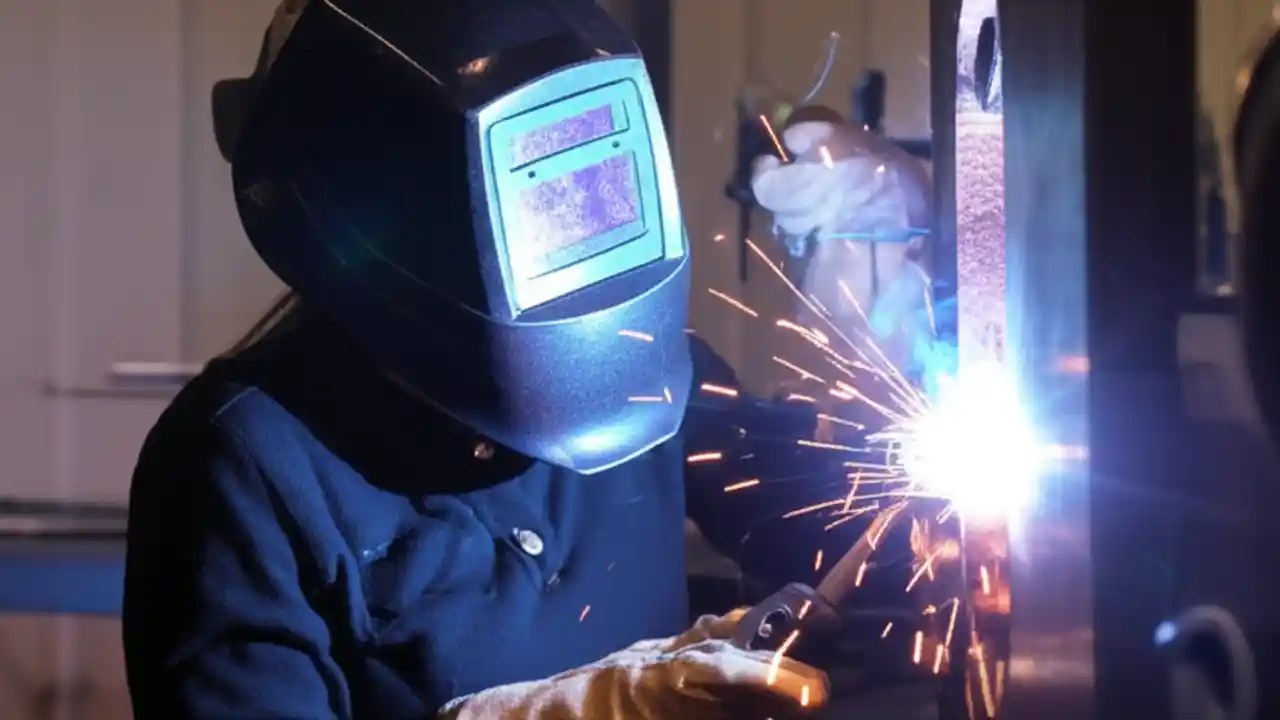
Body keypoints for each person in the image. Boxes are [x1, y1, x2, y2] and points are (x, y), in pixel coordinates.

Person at [123, 1, 829, 718]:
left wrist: (881, 218)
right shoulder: (241, 466)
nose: (576, 218)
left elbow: (846, 516)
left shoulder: (645, 376)